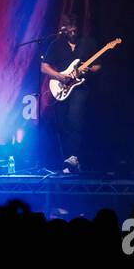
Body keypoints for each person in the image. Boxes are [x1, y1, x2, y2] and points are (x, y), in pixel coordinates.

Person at [39, 13, 100, 173]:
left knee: (75, 118)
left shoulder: (87, 43)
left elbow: (98, 66)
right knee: (62, 123)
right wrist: (60, 76)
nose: (73, 34)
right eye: (70, 31)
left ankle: (74, 157)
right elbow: (44, 67)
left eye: (75, 30)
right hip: (61, 86)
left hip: (80, 87)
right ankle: (68, 161)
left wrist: (89, 69)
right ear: (64, 30)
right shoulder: (56, 44)